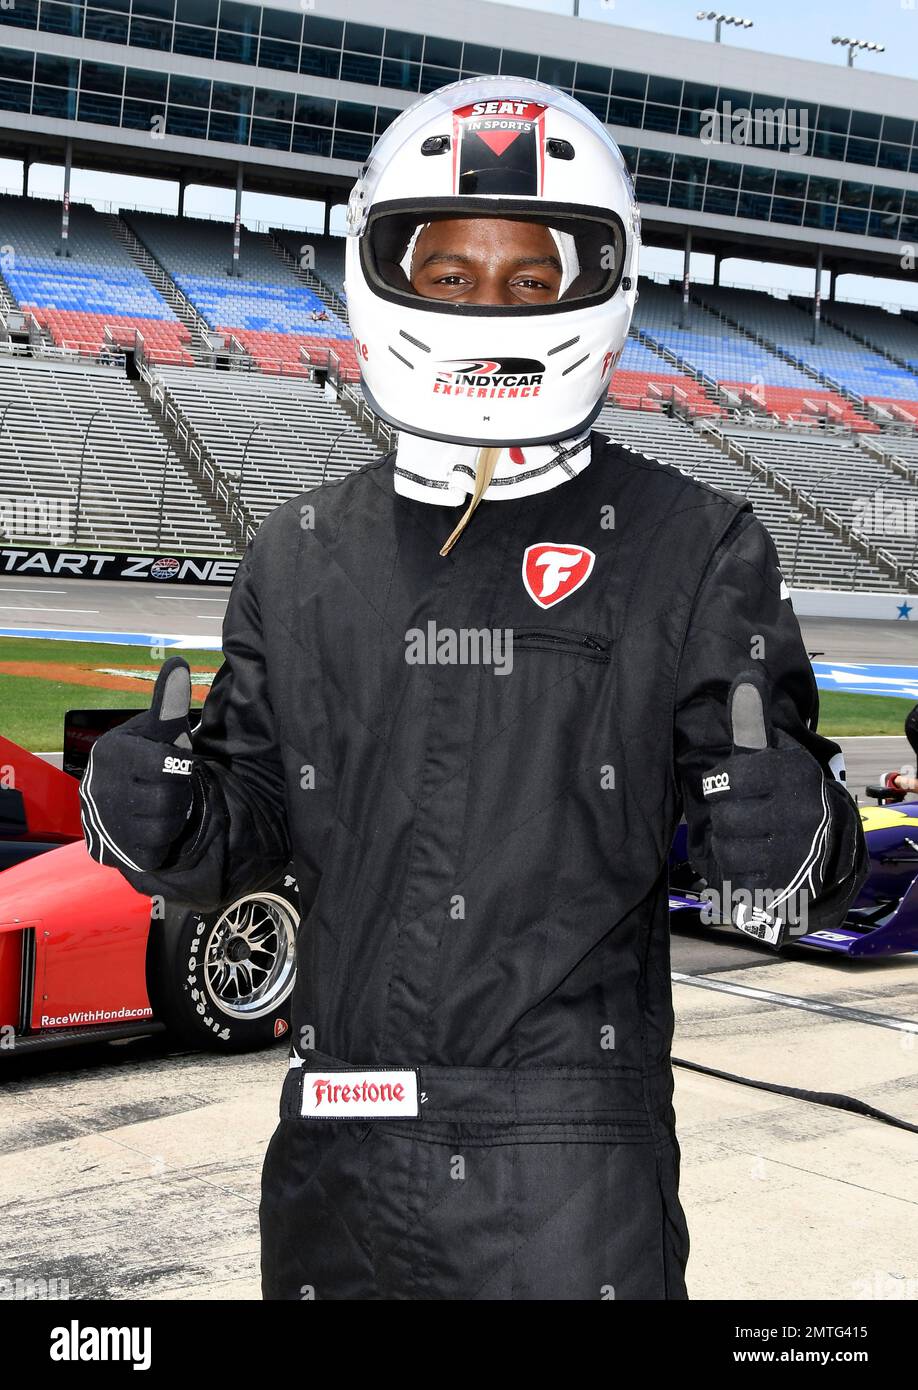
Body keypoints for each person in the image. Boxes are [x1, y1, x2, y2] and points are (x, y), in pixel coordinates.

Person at [78, 77, 867, 1301]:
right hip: (334, 1150)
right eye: (449, 272)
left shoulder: (695, 543)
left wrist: (801, 826)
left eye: (527, 276)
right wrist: (161, 817)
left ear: (598, 289)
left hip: (569, 1185)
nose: (486, 301)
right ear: (381, 272)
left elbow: (781, 842)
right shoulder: (296, 552)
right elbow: (244, 836)